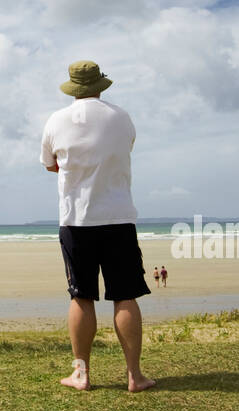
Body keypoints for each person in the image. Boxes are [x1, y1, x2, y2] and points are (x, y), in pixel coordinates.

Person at [40, 60, 154, 392]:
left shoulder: (55, 120)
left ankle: (81, 373)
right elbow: (125, 149)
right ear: (100, 85)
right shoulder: (122, 117)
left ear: (73, 87)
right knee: (126, 296)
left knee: (81, 297)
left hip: (77, 220)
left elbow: (51, 165)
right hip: (118, 217)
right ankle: (134, 375)